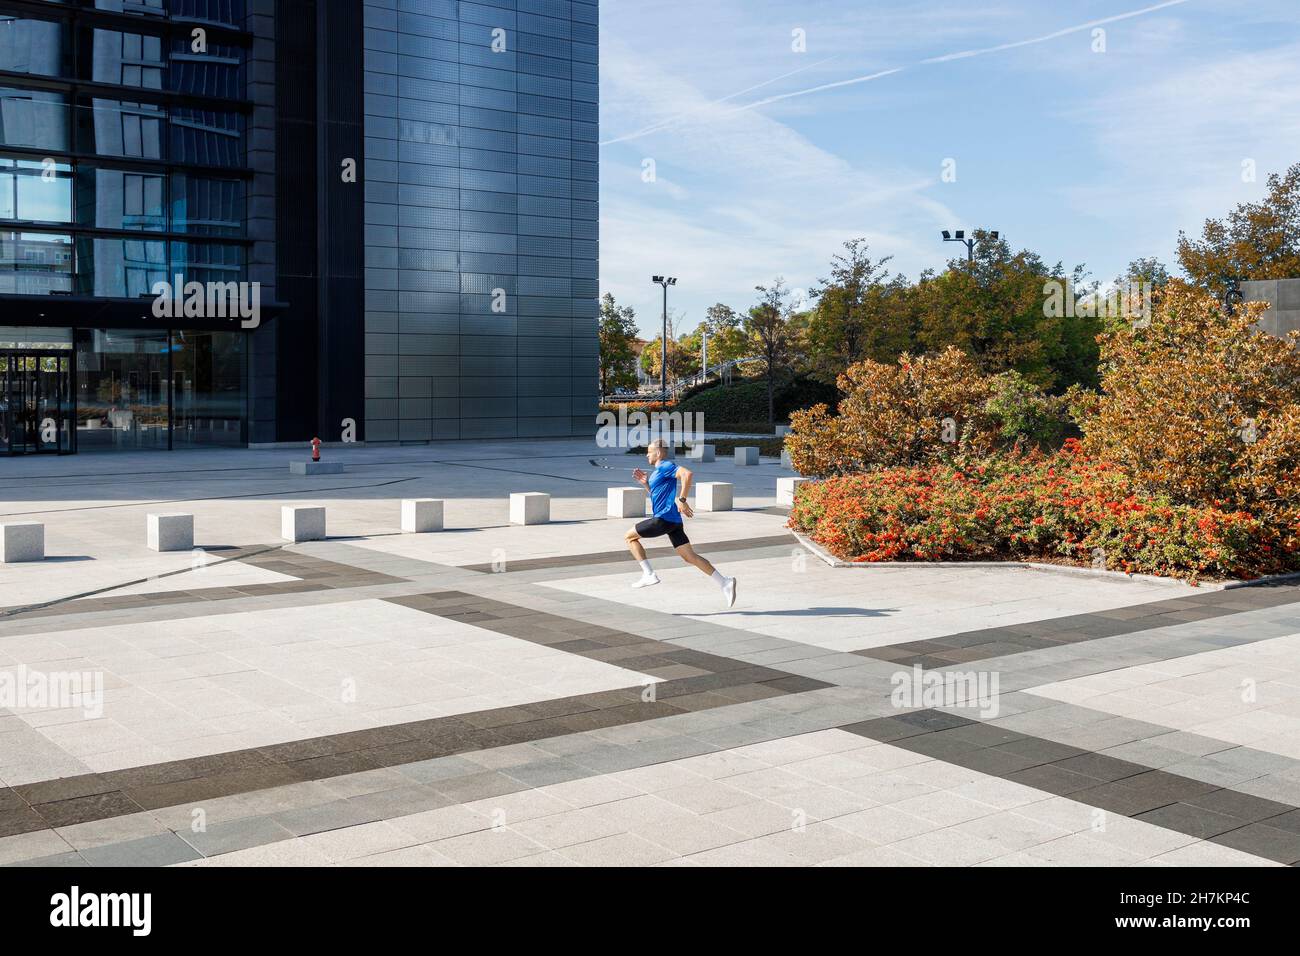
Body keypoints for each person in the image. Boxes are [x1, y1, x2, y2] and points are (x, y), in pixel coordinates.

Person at [625, 438, 737, 607]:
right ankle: (724, 582)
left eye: (649, 451)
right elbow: (659, 495)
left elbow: (687, 474)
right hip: (673, 522)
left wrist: (682, 499)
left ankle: (648, 574)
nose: (647, 454)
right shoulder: (657, 472)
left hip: (663, 519)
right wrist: (646, 484)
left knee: (629, 537)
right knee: (689, 556)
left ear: (658, 452)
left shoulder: (665, 466)